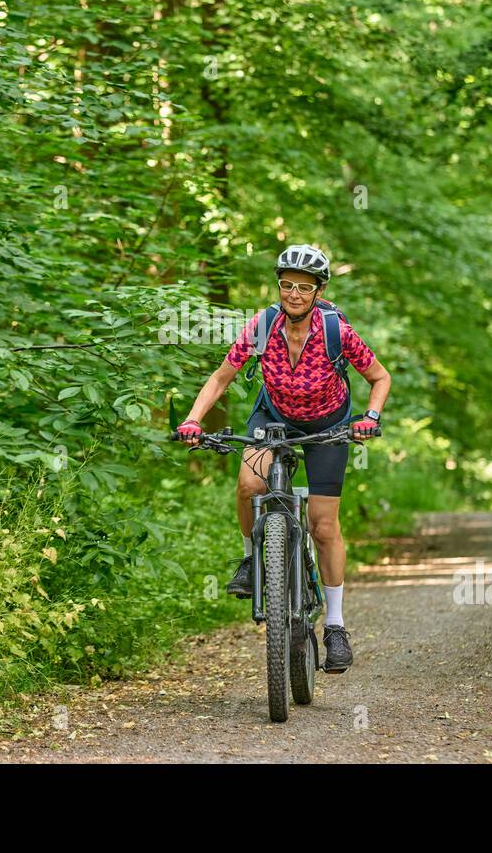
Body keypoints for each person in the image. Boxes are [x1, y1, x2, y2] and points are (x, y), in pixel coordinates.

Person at [175, 244, 391, 672]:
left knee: (324, 526)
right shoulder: (262, 326)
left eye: (304, 287)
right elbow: (221, 377)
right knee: (248, 485)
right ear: (279, 286)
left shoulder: (336, 332)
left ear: (318, 290)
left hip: (327, 424)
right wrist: (193, 419)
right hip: (272, 416)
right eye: (287, 285)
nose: (294, 293)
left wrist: (370, 416)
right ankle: (253, 559)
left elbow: (380, 377)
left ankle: (334, 626)